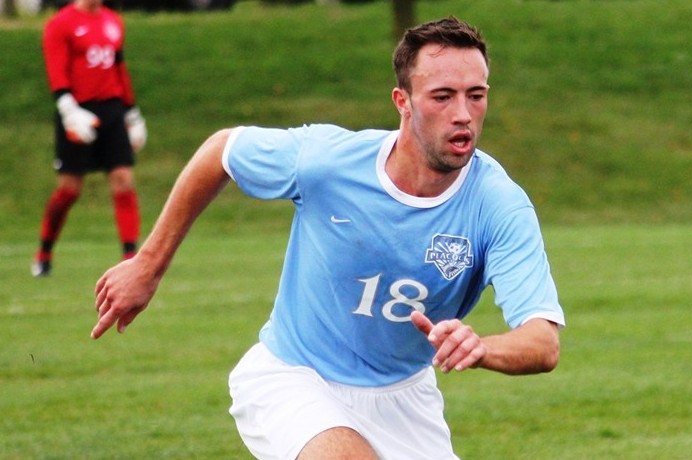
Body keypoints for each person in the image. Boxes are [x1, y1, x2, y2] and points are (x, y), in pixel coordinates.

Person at [91, 17, 563, 460]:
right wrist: (148, 263)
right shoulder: (328, 161)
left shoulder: (498, 205)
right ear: (403, 101)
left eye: (476, 95)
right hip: (293, 375)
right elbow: (224, 151)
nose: (463, 114)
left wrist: (483, 347)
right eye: (442, 96)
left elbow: (542, 342)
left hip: (405, 398)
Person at [33, 0, 147, 277]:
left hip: (112, 109)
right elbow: (56, 70)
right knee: (70, 190)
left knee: (123, 180)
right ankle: (44, 252)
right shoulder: (60, 24)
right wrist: (69, 111)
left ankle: (131, 257)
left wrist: (131, 114)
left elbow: (119, 69)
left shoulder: (113, 21)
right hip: (77, 109)